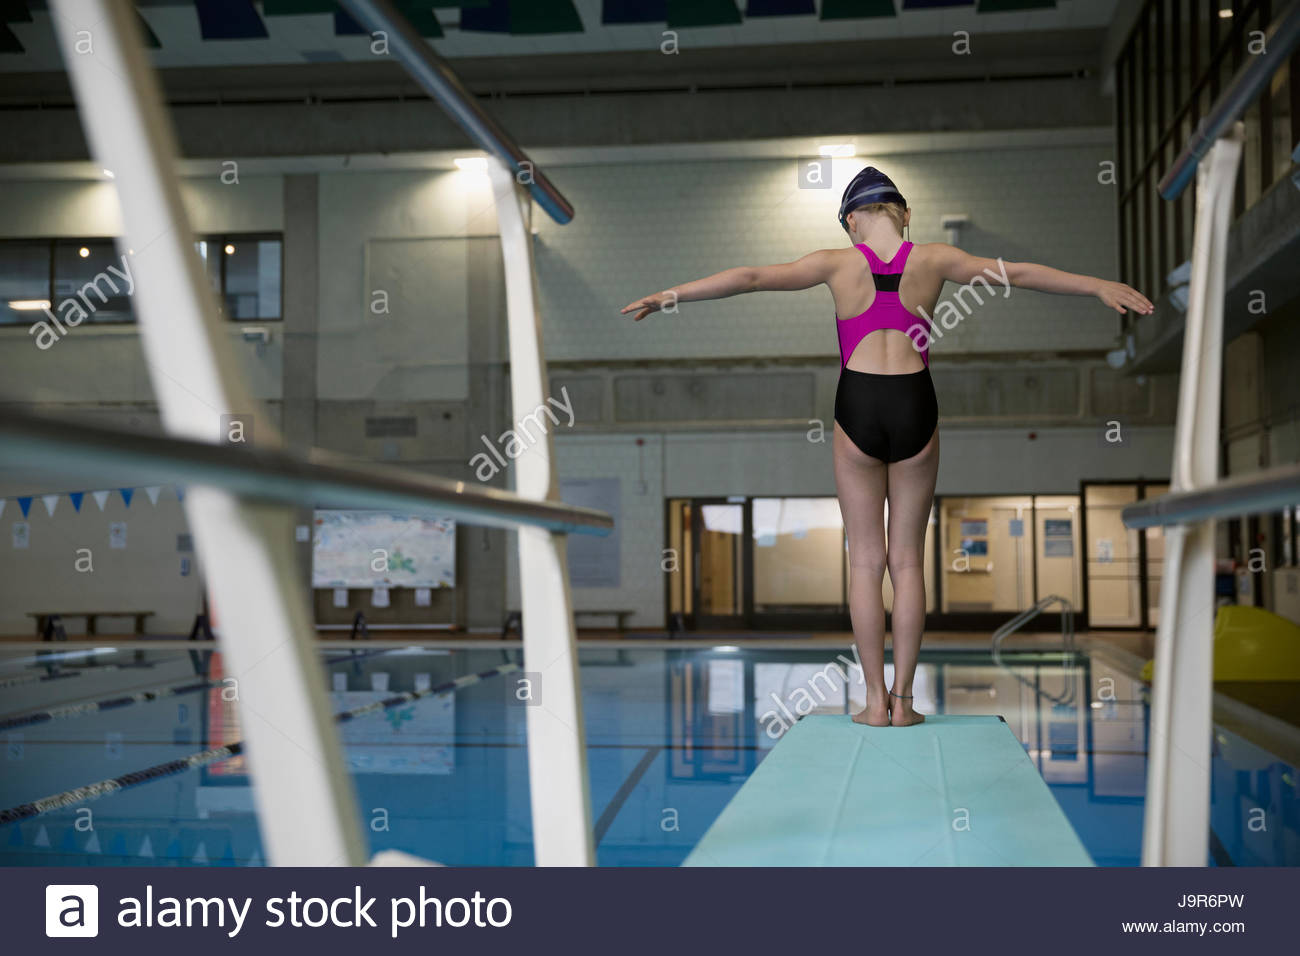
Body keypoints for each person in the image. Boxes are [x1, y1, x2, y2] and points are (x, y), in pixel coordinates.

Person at [620, 166, 1153, 727]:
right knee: (907, 562)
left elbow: (752, 276)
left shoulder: (835, 261)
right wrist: (1096, 285)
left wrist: (670, 296)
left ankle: (873, 702)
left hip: (858, 407)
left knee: (866, 562)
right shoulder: (936, 259)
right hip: (915, 404)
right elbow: (1016, 272)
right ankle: (905, 702)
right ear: (904, 215)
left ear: (852, 220)